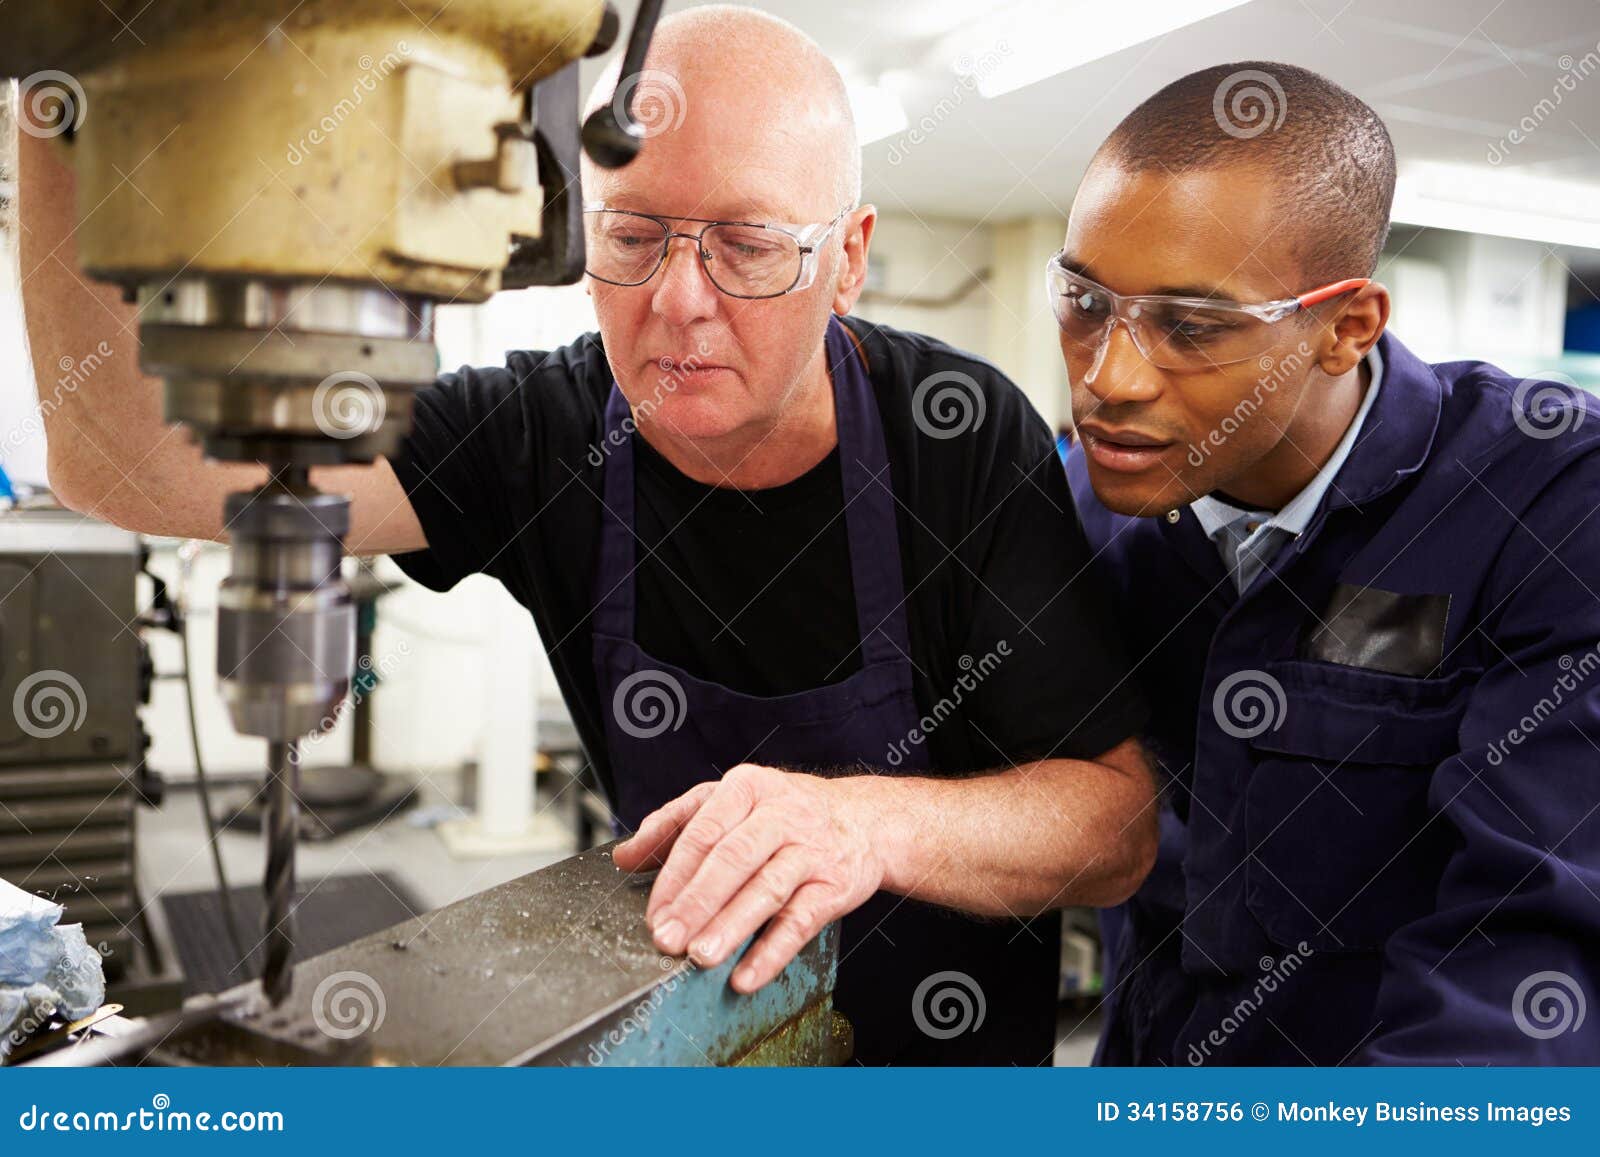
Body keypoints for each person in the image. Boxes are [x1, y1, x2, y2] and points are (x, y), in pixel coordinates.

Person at [23, 6, 1154, 1064]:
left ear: (847, 257)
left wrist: (863, 820)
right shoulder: (543, 429)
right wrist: (62, 75)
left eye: (747, 245)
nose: (678, 300)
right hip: (673, 1045)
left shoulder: (954, 435)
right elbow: (127, 463)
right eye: (634, 236)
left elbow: (1114, 825)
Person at [1058, 61, 1600, 1064]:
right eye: (1083, 300)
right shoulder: (1088, 511)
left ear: (1344, 327)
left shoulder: (1550, 500)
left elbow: (1533, 934)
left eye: (1190, 325)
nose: (1107, 378)